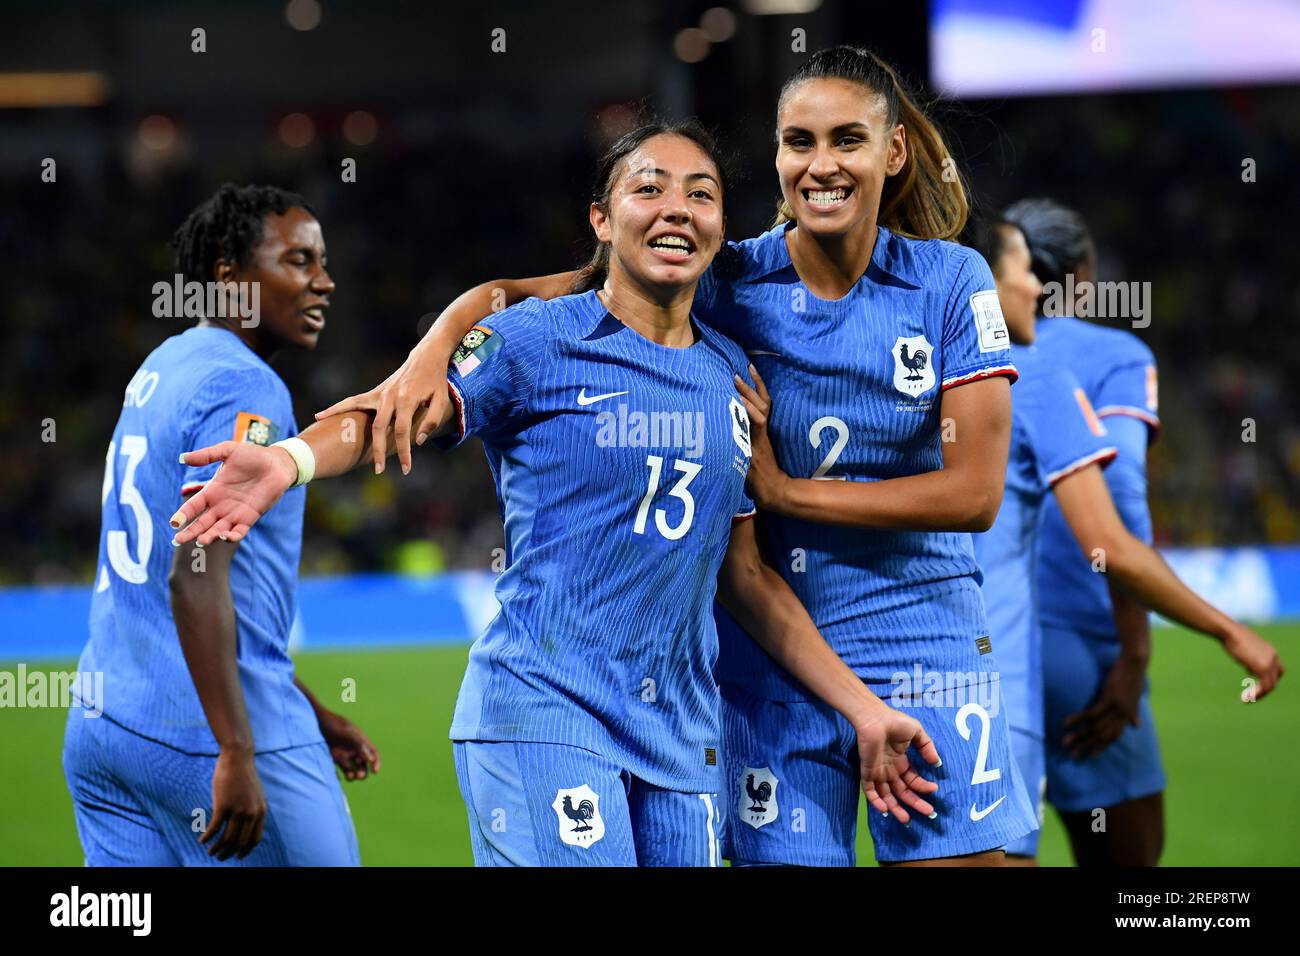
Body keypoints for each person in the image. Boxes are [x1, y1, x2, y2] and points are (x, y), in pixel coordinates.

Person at [325, 47, 1042, 866]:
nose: (821, 165)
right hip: (768, 661)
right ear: (777, 157)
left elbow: (976, 493)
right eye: (798, 142)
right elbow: (536, 294)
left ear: (894, 152)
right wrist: (435, 344)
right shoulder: (725, 274)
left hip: (923, 639)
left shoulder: (951, 280)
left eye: (847, 140)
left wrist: (786, 493)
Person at [170, 123, 942, 867]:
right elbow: (408, 411)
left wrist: (865, 710)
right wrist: (290, 461)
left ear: (717, 229)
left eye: (701, 195)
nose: (677, 207)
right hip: (545, 708)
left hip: (680, 738)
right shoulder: (536, 341)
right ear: (602, 221)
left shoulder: (731, 373)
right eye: (649, 189)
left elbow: (744, 579)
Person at [64, 184, 378, 866]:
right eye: (298, 261)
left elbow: (174, 580)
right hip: (203, 735)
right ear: (229, 276)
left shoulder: (163, 364)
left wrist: (316, 713)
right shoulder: (248, 387)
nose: (324, 281)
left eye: (322, 261)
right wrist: (238, 748)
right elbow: (194, 573)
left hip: (104, 724)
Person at [996, 199, 1284, 866]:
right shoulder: (1113, 354)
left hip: (987, 652)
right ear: (1084, 275)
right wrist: (1134, 654)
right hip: (1085, 659)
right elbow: (1119, 499)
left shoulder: (965, 345)